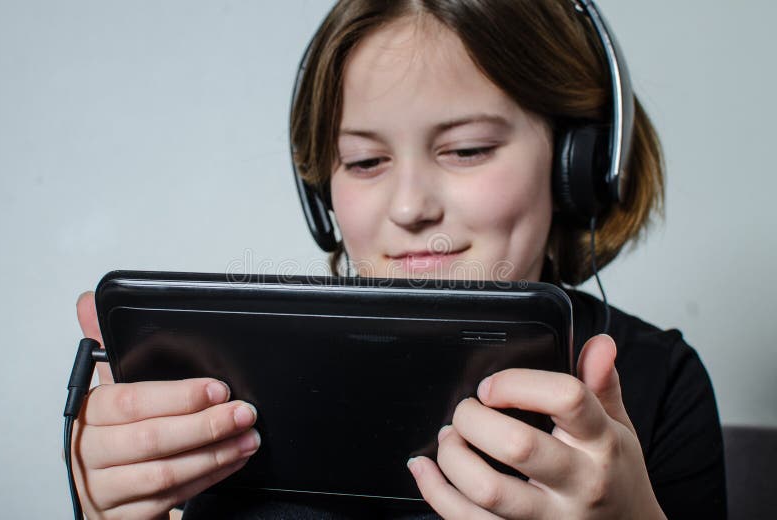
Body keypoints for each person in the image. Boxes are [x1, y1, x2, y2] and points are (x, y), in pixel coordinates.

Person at [72, 0, 726, 518]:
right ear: (322, 197)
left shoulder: (660, 381)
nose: (410, 208)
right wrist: (111, 513)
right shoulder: (207, 377)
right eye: (364, 162)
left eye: (467, 149)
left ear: (575, 168)